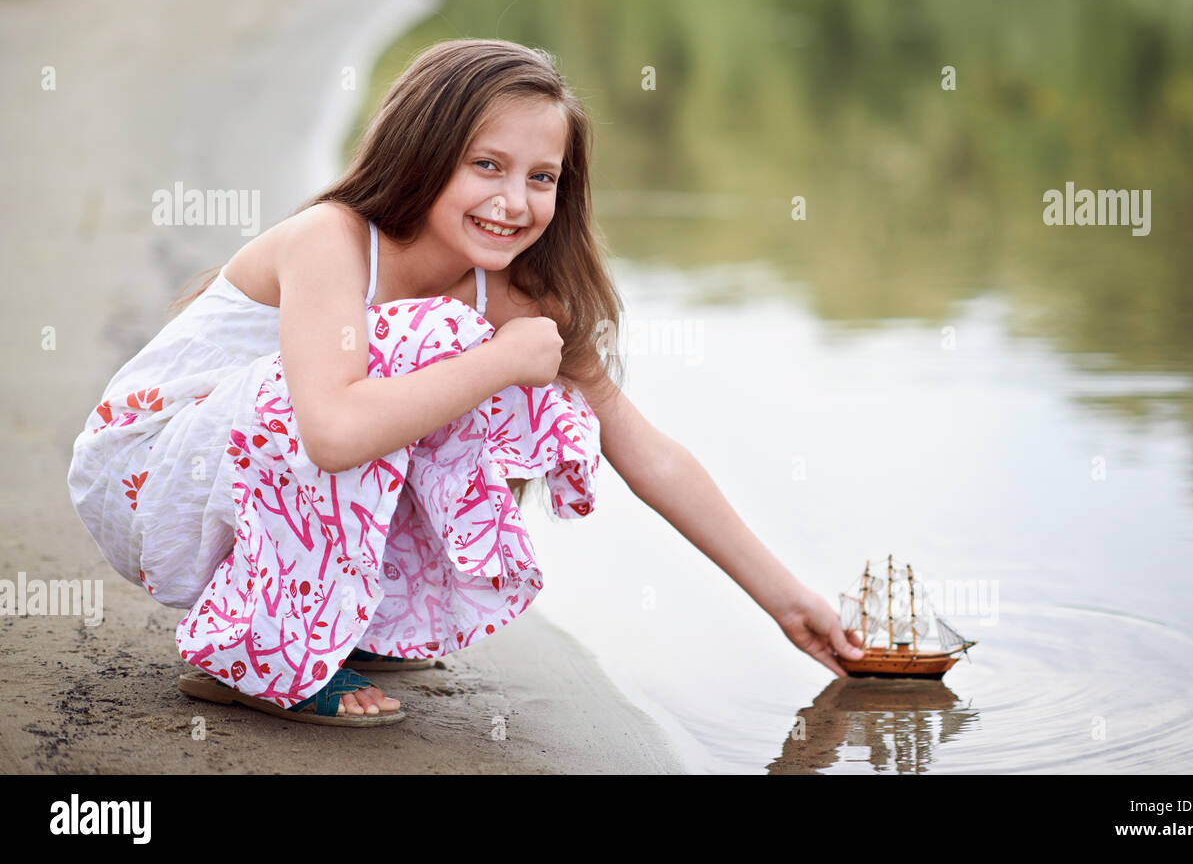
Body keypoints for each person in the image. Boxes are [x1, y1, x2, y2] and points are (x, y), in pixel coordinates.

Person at [66, 38, 864, 727]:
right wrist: (494, 361)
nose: (515, 203)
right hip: (150, 476)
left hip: (253, 474)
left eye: (542, 178)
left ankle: (355, 622)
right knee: (451, 349)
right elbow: (333, 432)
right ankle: (258, 655)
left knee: (527, 376)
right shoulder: (332, 243)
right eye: (487, 166)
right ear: (422, 152)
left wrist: (787, 601)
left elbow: (645, 450)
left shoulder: (513, 294)